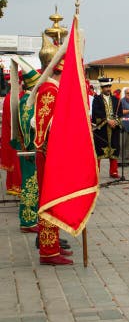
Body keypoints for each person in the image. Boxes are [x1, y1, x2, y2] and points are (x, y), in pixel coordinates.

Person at [32, 57, 73, 265]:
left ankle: (53, 245)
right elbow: (49, 126)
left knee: (54, 200)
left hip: (51, 153)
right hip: (49, 154)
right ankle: (48, 251)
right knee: (49, 201)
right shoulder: (50, 90)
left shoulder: (53, 89)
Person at [12, 61, 40, 233]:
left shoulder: (29, 99)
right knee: (30, 185)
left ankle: (31, 219)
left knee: (33, 185)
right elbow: (27, 124)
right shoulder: (27, 101)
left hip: (31, 150)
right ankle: (28, 222)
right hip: (30, 150)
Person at [91, 77, 121, 178]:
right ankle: (96, 172)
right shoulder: (97, 99)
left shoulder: (116, 100)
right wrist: (107, 120)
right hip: (102, 129)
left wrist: (116, 122)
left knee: (114, 149)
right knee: (99, 151)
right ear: (102, 88)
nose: (108, 89)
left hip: (114, 129)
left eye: (109, 86)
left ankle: (114, 172)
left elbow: (120, 113)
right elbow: (96, 112)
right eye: (106, 87)